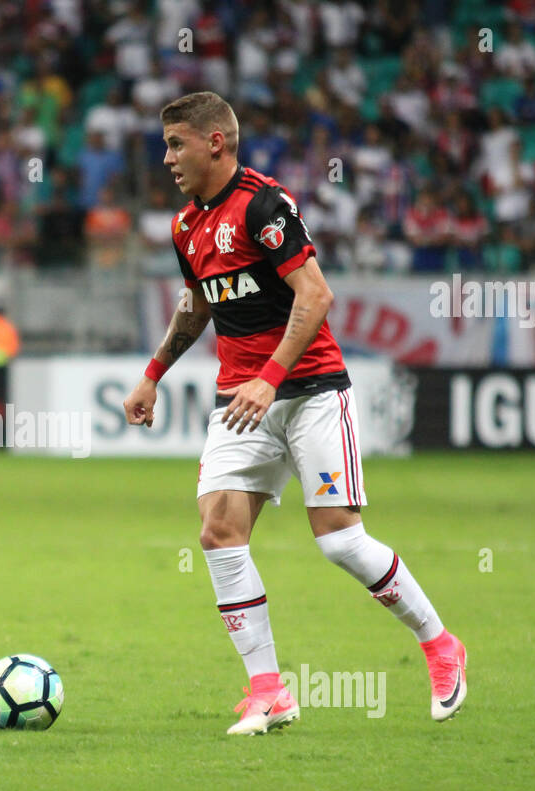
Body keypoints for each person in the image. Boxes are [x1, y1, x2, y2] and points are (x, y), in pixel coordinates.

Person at [122, 92, 466, 736]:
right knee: (218, 532)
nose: (166, 157)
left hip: (308, 392)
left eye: (176, 144)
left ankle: (440, 644)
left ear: (215, 143)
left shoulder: (264, 205)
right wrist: (152, 376)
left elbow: (316, 295)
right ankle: (269, 691)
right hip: (239, 402)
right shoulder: (184, 227)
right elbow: (198, 306)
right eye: (165, 144)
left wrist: (270, 377)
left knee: (339, 542)